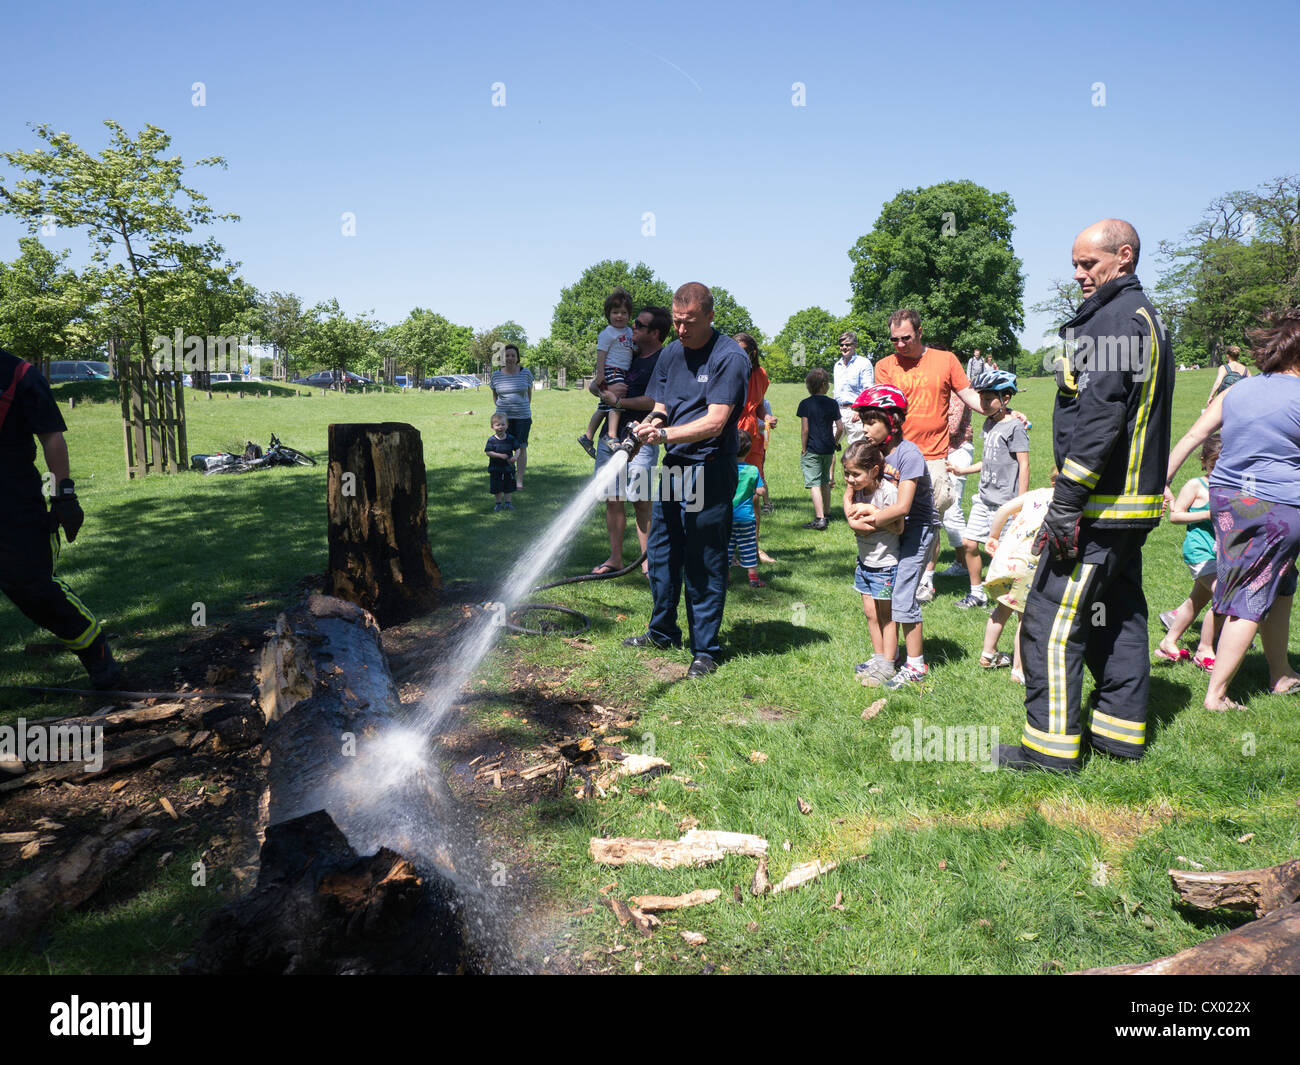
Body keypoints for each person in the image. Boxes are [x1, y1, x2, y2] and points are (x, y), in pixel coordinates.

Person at [999, 218, 1174, 772]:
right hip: (1132, 504)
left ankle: (1049, 750)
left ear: (1124, 257)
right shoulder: (1142, 315)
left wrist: (1068, 499)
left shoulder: (1117, 321)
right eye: (1074, 264)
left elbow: (1101, 420)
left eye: (1088, 264)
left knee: (1050, 621)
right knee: (1116, 615)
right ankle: (1119, 735)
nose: (1077, 275)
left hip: (1100, 507)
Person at [1165, 308, 1300, 710]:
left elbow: (1195, 434)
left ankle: (1280, 673)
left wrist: (1162, 481)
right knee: (1252, 590)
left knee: (1280, 579)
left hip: (1227, 500)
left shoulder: (1237, 389)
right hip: (1277, 505)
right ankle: (1217, 694)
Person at [624, 283, 749, 678]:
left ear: (710, 316)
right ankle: (662, 630)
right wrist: (648, 425)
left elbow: (715, 422)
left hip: (710, 467)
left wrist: (663, 436)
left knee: (704, 559)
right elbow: (662, 406)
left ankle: (705, 649)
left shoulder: (729, 357)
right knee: (661, 552)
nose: (681, 330)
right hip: (676, 466)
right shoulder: (671, 354)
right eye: (677, 322)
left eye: (689, 322)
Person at [874, 309, 1024, 604]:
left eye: (906, 338)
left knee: (929, 518)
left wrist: (1003, 413)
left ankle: (924, 581)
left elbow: (969, 395)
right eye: (895, 340)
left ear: (919, 332)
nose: (900, 345)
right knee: (895, 519)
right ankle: (894, 576)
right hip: (895, 453)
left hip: (933, 455)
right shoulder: (885, 365)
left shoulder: (946, 360)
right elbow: (881, 406)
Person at [0, 348, 121, 689]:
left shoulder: (18, 375)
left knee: (33, 587)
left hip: (14, 504)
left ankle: (94, 650)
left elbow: (51, 434)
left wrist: (64, 495)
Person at [847, 385, 936, 689]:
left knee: (901, 595)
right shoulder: (875, 453)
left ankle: (916, 666)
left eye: (871, 421)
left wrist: (867, 518)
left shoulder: (908, 455)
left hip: (918, 529)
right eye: (863, 422)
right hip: (891, 529)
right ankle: (888, 657)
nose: (865, 428)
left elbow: (903, 506)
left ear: (893, 421)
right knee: (878, 601)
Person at [591, 306, 669, 576]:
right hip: (610, 437)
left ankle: (647, 562)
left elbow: (655, 401)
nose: (632, 327)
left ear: (655, 333)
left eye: (639, 324)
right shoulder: (627, 352)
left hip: (643, 437)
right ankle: (615, 559)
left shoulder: (664, 359)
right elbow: (601, 384)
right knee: (612, 497)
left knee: (641, 500)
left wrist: (619, 401)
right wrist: (598, 387)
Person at [947, 370, 1030, 608]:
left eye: (988, 398)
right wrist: (964, 471)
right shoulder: (989, 423)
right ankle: (977, 593)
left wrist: (1020, 503)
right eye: (981, 397)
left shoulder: (1015, 427)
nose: (983, 402)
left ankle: (1008, 598)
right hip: (983, 498)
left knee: (1002, 553)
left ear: (1006, 398)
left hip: (1005, 501)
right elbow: (989, 460)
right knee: (970, 544)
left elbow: (1023, 465)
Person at [979, 479, 1056, 683]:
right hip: (1031, 562)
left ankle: (988, 654)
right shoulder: (1065, 501)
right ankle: (1019, 670)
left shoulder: (1037, 493)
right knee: (1026, 617)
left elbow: (1004, 509)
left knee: (1003, 608)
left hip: (1009, 556)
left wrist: (993, 536)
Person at [843, 440, 904, 687]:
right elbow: (849, 512)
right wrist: (853, 513)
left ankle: (888, 663)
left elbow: (899, 526)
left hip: (885, 564)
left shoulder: (887, 492)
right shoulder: (857, 490)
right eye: (846, 473)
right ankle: (878, 658)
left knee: (886, 615)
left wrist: (871, 516)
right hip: (865, 563)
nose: (850, 479)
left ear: (874, 471)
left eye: (855, 474)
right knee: (870, 613)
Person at [1156, 436, 1221, 671]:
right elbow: (1175, 516)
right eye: (1214, 466)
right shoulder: (1196, 486)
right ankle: (1205, 649)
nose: (1218, 471)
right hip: (1200, 552)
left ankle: (1168, 641)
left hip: (1221, 554)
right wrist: (1206, 514)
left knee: (1196, 601)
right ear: (1204, 462)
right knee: (1224, 596)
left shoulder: (1228, 486)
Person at [733, 333, 775, 564]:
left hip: (753, 440)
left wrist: (767, 417)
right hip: (728, 437)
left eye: (742, 352)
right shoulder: (727, 369)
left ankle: (753, 549)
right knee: (727, 494)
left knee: (754, 497)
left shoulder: (761, 375)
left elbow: (758, 407)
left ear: (753, 353)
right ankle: (726, 551)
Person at [578, 288, 635, 456]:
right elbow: (601, 353)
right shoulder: (608, 332)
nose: (619, 316)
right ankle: (611, 436)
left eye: (623, 312)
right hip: (612, 370)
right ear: (608, 314)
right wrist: (600, 374)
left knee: (604, 407)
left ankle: (587, 436)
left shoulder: (629, 332)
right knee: (617, 402)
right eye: (615, 312)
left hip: (623, 371)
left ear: (629, 315)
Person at [797, 368, 843, 530]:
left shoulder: (805, 404)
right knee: (825, 481)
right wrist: (834, 442)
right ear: (824, 385)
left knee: (814, 483)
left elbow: (805, 430)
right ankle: (828, 513)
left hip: (812, 449)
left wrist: (804, 448)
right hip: (828, 449)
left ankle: (819, 518)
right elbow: (840, 427)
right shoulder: (833, 403)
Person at [935, 390, 974, 578]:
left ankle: (964, 563)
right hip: (939, 452)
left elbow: (952, 427)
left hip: (956, 451)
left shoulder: (957, 394)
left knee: (951, 507)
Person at [489, 344, 534, 490]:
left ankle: (519, 480)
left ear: (517, 357)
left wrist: (522, 407)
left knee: (521, 447)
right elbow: (495, 396)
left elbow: (529, 394)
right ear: (502, 358)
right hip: (503, 419)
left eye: (513, 355)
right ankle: (507, 477)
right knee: (504, 447)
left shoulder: (525, 373)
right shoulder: (496, 375)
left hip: (522, 417)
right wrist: (502, 411)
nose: (510, 358)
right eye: (507, 355)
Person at [729, 430, 766, 588]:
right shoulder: (752, 470)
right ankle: (753, 579)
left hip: (727, 517)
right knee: (748, 547)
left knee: (726, 548)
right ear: (749, 450)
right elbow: (761, 491)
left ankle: (724, 579)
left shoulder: (726, 468)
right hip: (746, 518)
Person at [833, 330, 874, 447]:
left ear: (855, 345)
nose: (844, 347)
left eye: (848, 344)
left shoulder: (864, 363)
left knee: (856, 449)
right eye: (841, 345)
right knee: (829, 445)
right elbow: (836, 391)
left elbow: (868, 390)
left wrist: (859, 410)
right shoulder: (837, 365)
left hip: (855, 412)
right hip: (838, 412)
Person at [484, 413, 519, 512]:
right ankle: (498, 503)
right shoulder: (491, 440)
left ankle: (508, 503)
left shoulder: (511, 438)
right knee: (497, 487)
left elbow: (518, 449)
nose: (500, 427)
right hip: (496, 469)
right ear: (492, 427)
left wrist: (515, 457)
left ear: (507, 425)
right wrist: (499, 455)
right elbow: (488, 452)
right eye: (497, 425)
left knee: (508, 486)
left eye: (503, 424)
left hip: (508, 468)